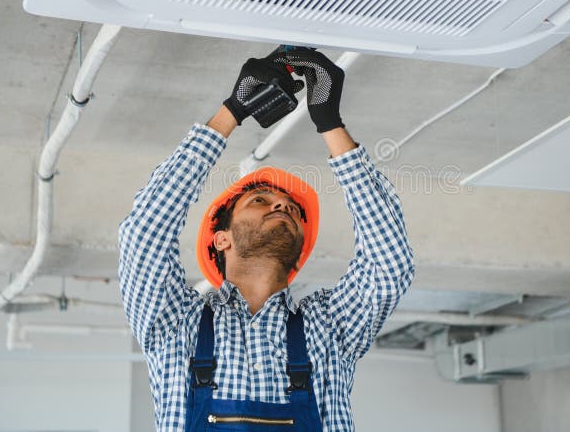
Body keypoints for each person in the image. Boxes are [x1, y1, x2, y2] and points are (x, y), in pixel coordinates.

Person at [118, 47, 415, 431]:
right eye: (261, 201)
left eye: (290, 208)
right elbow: (145, 232)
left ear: (298, 250)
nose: (282, 207)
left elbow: (388, 264)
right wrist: (231, 111)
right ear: (220, 240)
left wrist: (328, 121)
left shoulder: (330, 327)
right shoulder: (176, 323)